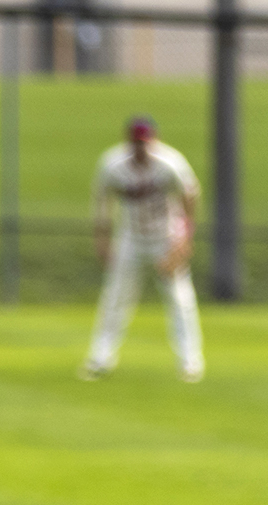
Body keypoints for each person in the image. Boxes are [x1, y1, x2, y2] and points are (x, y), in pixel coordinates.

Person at [79, 116, 205, 383]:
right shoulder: (113, 164)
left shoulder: (170, 162)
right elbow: (102, 200)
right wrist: (102, 240)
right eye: (137, 142)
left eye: (146, 142)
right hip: (131, 238)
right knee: (115, 297)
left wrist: (183, 240)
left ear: (154, 139)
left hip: (165, 236)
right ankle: (101, 358)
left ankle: (190, 361)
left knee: (180, 299)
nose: (141, 147)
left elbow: (190, 195)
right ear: (129, 141)